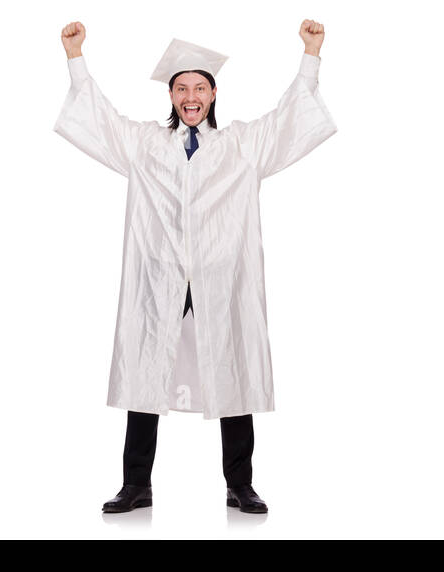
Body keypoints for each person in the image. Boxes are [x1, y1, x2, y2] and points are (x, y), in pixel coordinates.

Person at [54, 20, 335, 514]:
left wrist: (310, 54)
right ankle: (136, 483)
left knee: (232, 371)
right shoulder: (145, 144)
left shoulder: (242, 146)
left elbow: (291, 116)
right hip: (159, 278)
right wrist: (76, 57)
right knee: (146, 372)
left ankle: (240, 483)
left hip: (220, 278)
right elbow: (98, 118)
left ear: (213, 93)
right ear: (170, 93)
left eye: (199, 88)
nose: (190, 97)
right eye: (181, 88)